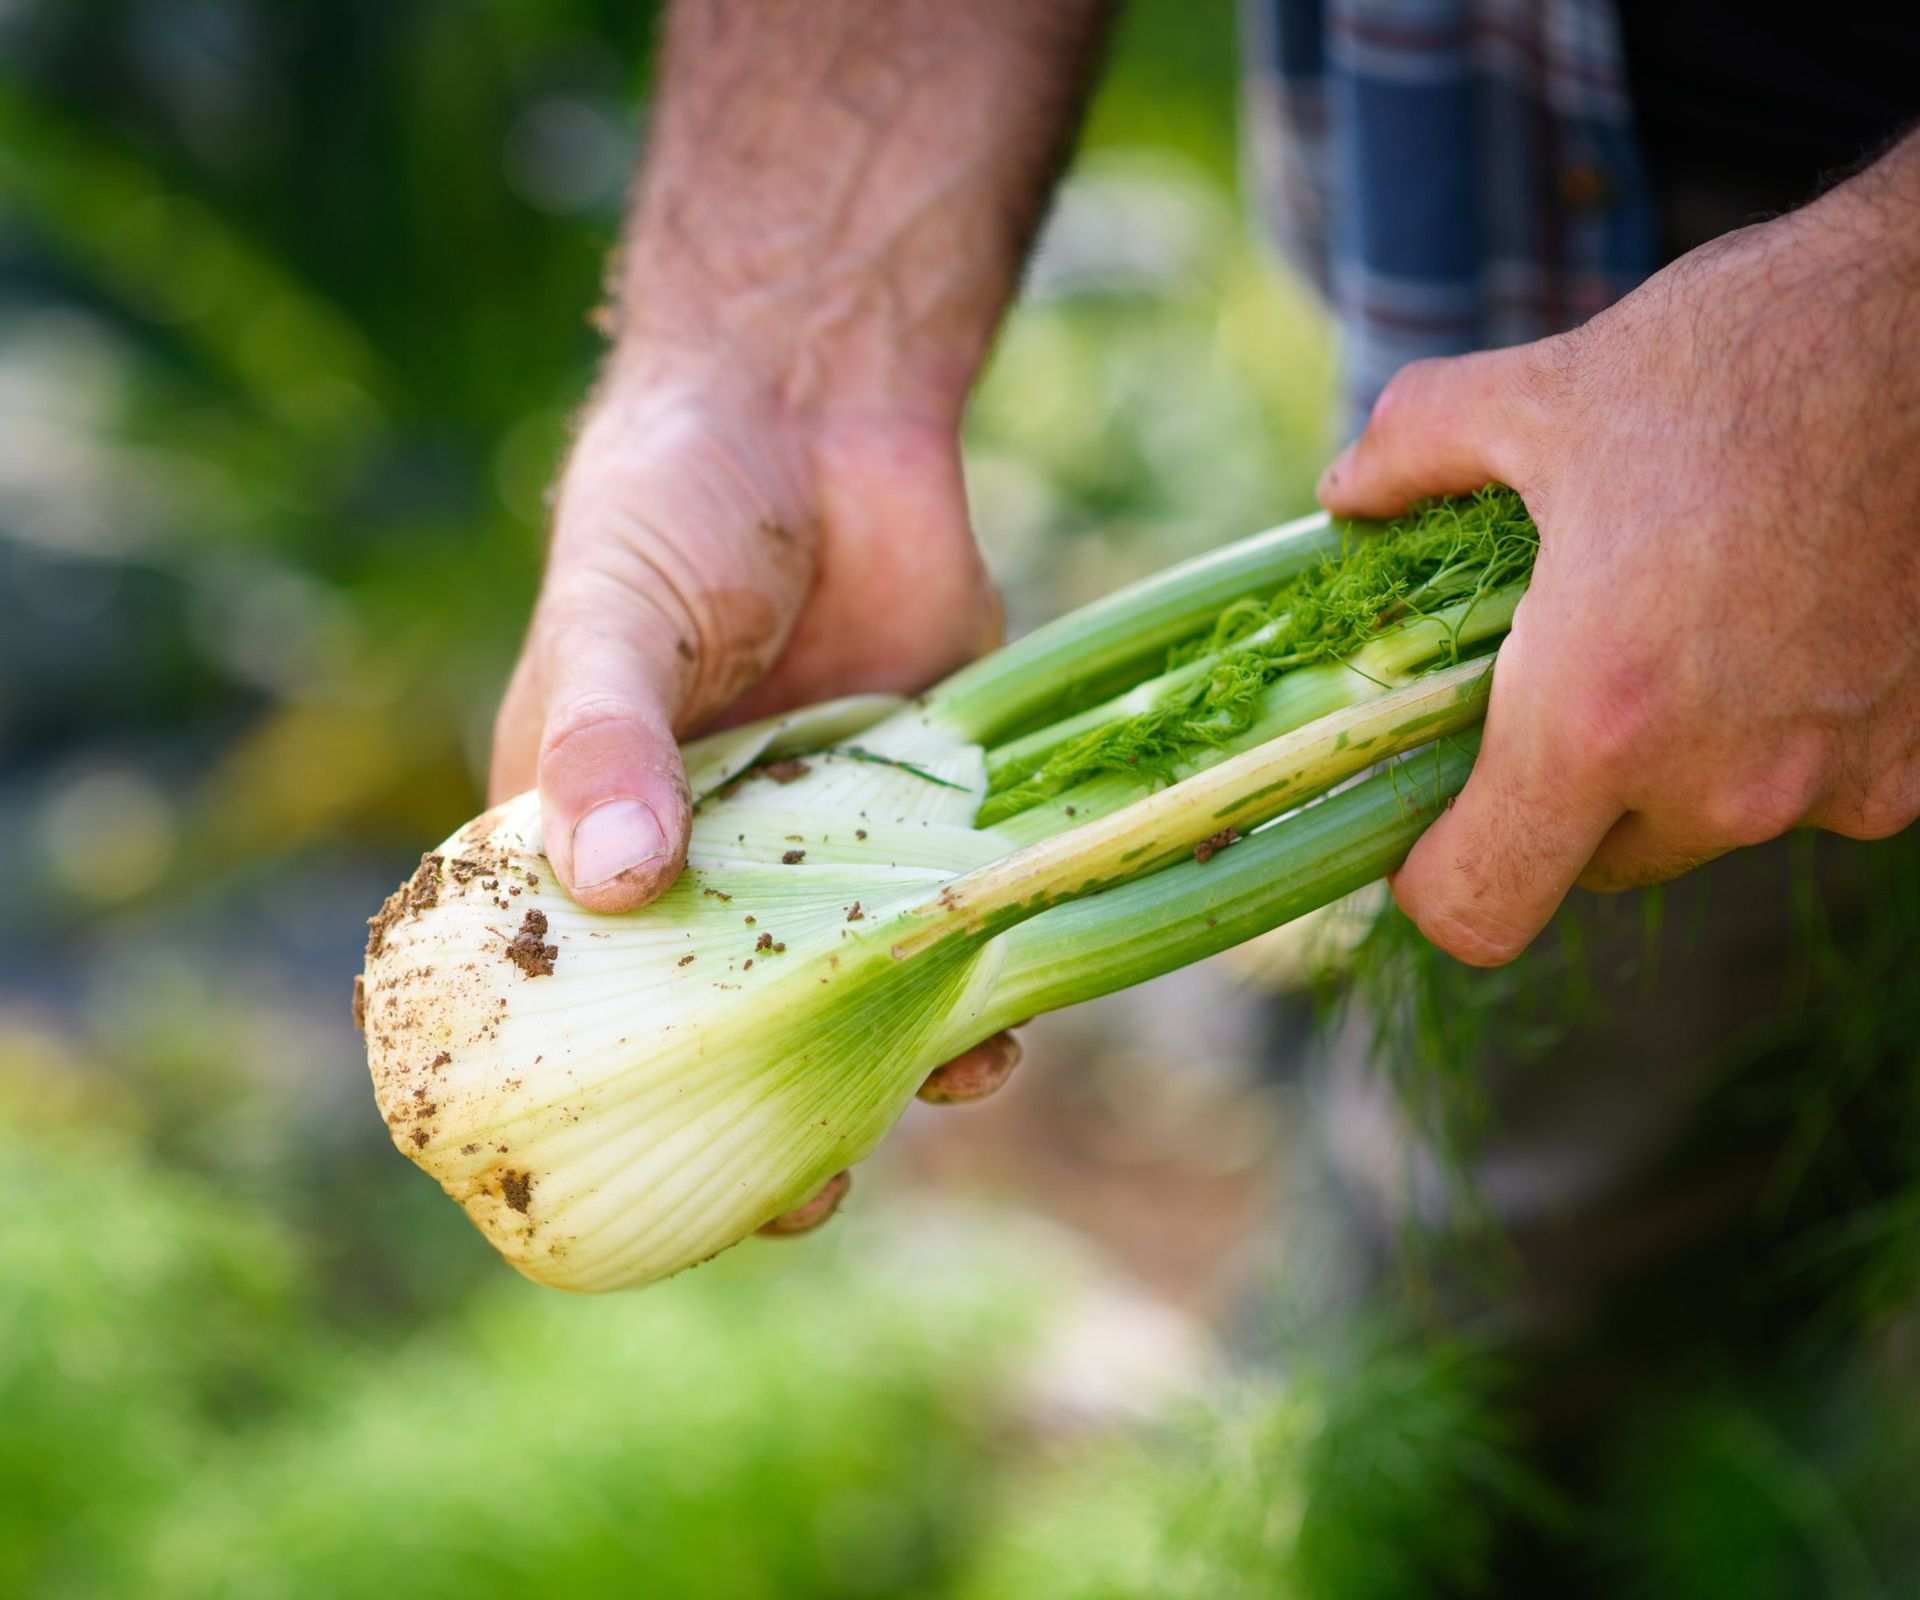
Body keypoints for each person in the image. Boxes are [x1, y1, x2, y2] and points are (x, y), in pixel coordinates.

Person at [487, 0, 1918, 1232]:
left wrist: (1879, 364)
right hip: (1553, 415)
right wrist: (776, 374)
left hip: (1854, 297)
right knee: (1545, 1253)